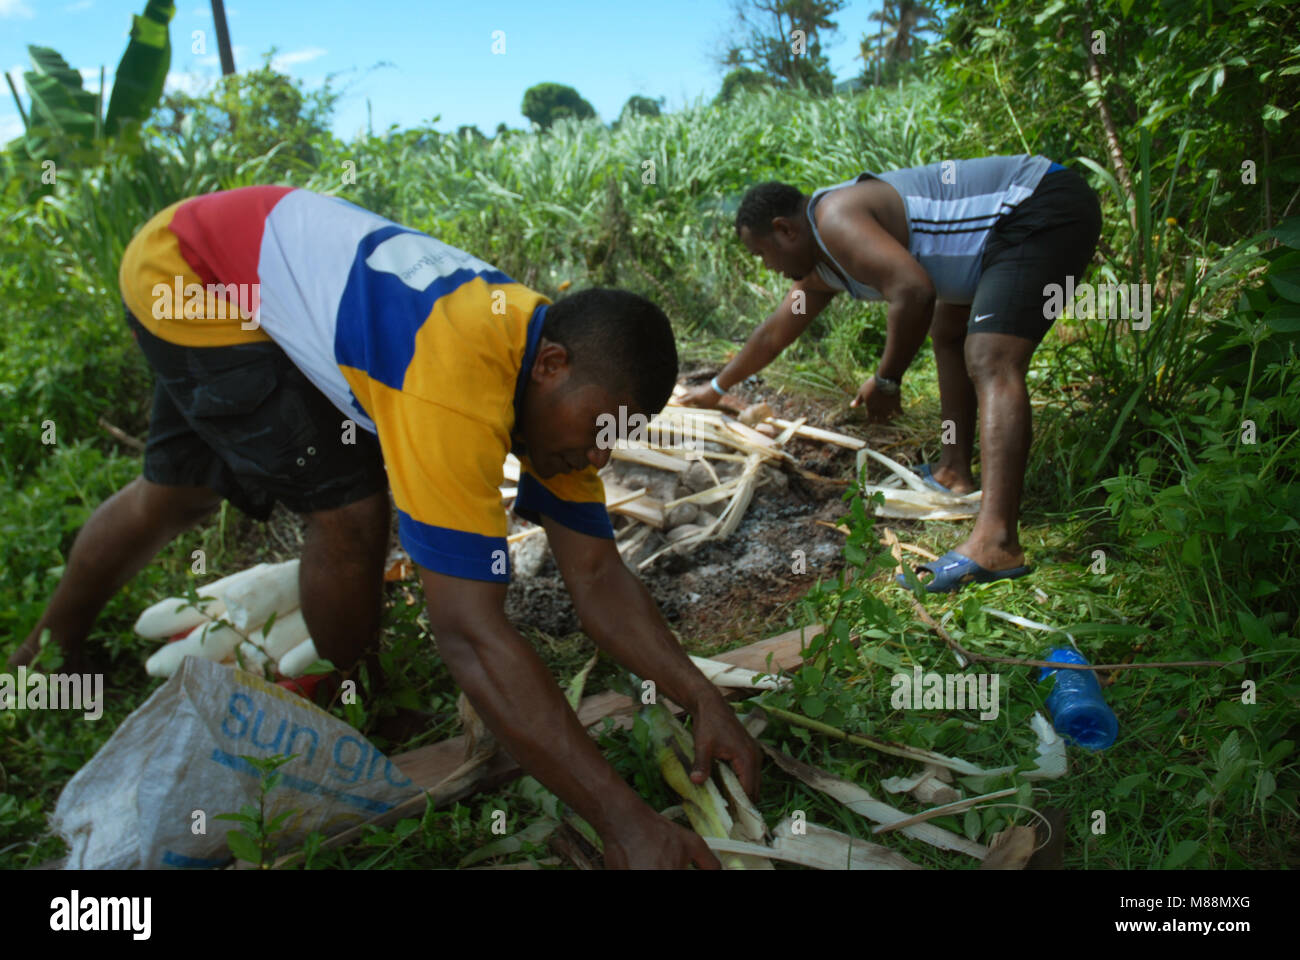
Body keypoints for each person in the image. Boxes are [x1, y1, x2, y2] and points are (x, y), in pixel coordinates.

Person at [7, 185, 758, 869]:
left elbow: (595, 575)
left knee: (175, 495)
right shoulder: (455, 387)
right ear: (552, 363)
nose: (598, 451)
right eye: (599, 427)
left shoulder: (550, 372)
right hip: (192, 280)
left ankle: (48, 652)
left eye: (615, 434)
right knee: (350, 513)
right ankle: (354, 709)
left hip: (217, 249)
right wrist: (625, 824)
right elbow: (468, 633)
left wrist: (700, 696)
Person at [680, 156, 1101, 592]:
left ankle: (997, 543)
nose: (765, 266)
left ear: (785, 229)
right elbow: (773, 335)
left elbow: (913, 291)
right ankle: (954, 469)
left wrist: (887, 380)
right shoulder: (821, 268)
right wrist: (716, 388)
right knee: (950, 332)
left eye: (761, 253)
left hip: (1037, 207)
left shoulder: (835, 219)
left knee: (991, 357)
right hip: (993, 238)